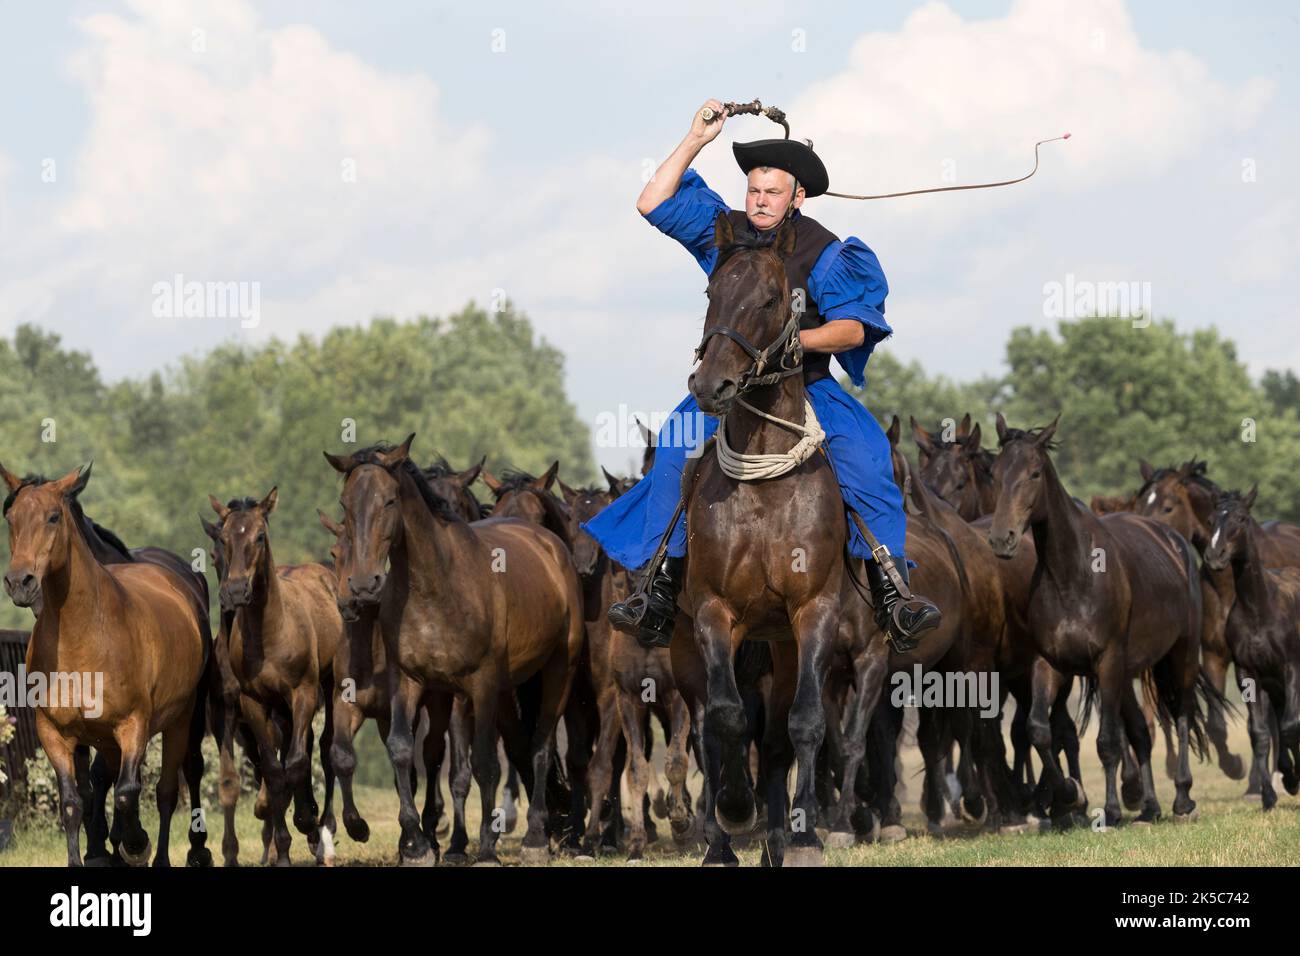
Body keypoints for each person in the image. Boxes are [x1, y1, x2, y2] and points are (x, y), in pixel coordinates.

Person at [584, 99, 940, 653]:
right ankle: (657, 588)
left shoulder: (823, 251)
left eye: (772, 192)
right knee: (675, 451)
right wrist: (695, 138)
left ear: (796, 196)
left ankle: (894, 594)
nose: (759, 201)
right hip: (728, 385)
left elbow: (850, 330)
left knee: (869, 460)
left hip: (807, 384)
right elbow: (651, 200)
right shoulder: (724, 231)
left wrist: (794, 342)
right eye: (753, 190)